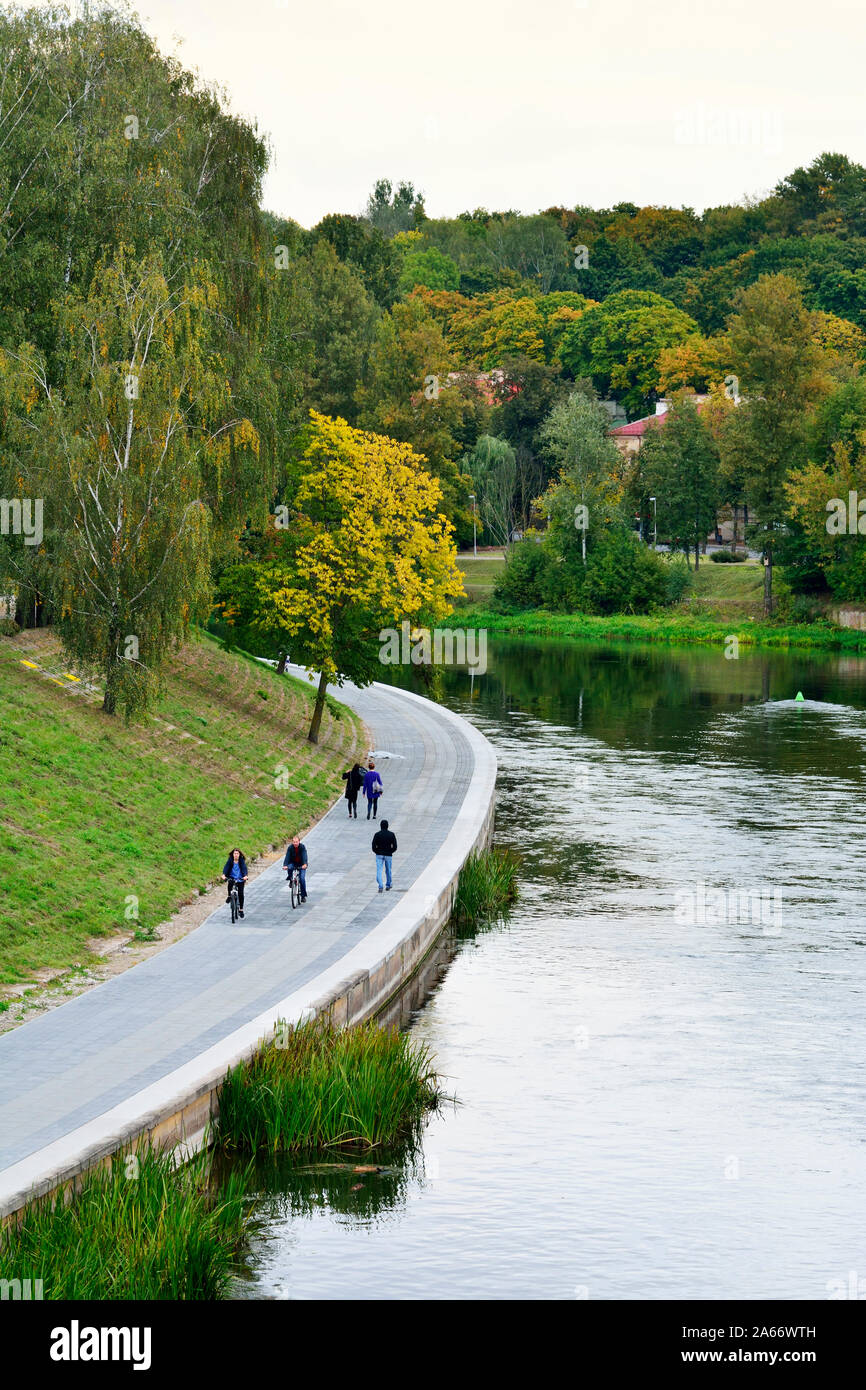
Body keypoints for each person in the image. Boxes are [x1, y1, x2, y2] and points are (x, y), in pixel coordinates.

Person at [371, 818, 397, 893]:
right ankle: (388, 885)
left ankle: (380, 886)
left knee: (379, 870)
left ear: (380, 826)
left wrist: (377, 852)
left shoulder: (377, 834)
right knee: (388, 870)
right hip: (388, 855)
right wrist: (390, 851)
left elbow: (373, 846)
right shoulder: (391, 834)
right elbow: (395, 846)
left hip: (379, 854)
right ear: (387, 826)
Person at [222, 848, 248, 917]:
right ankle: (229, 896)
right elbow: (226, 867)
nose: (236, 855)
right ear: (233, 854)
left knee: (241, 894)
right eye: (235, 853)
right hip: (232, 877)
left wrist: (245, 876)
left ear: (239, 855)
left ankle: (241, 909)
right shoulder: (230, 860)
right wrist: (224, 875)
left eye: (237, 853)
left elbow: (244, 868)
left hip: (240, 879)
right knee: (230, 884)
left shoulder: (241, 861)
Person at [283, 835, 308, 902]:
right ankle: (291, 879)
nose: (295, 843)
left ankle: (303, 896)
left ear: (299, 841)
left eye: (296, 842)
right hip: (293, 863)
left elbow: (304, 855)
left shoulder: (302, 847)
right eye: (294, 842)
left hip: (302, 864)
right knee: (289, 867)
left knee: (302, 879)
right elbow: (287, 856)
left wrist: (305, 864)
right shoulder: (290, 848)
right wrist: (285, 865)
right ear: (292, 842)